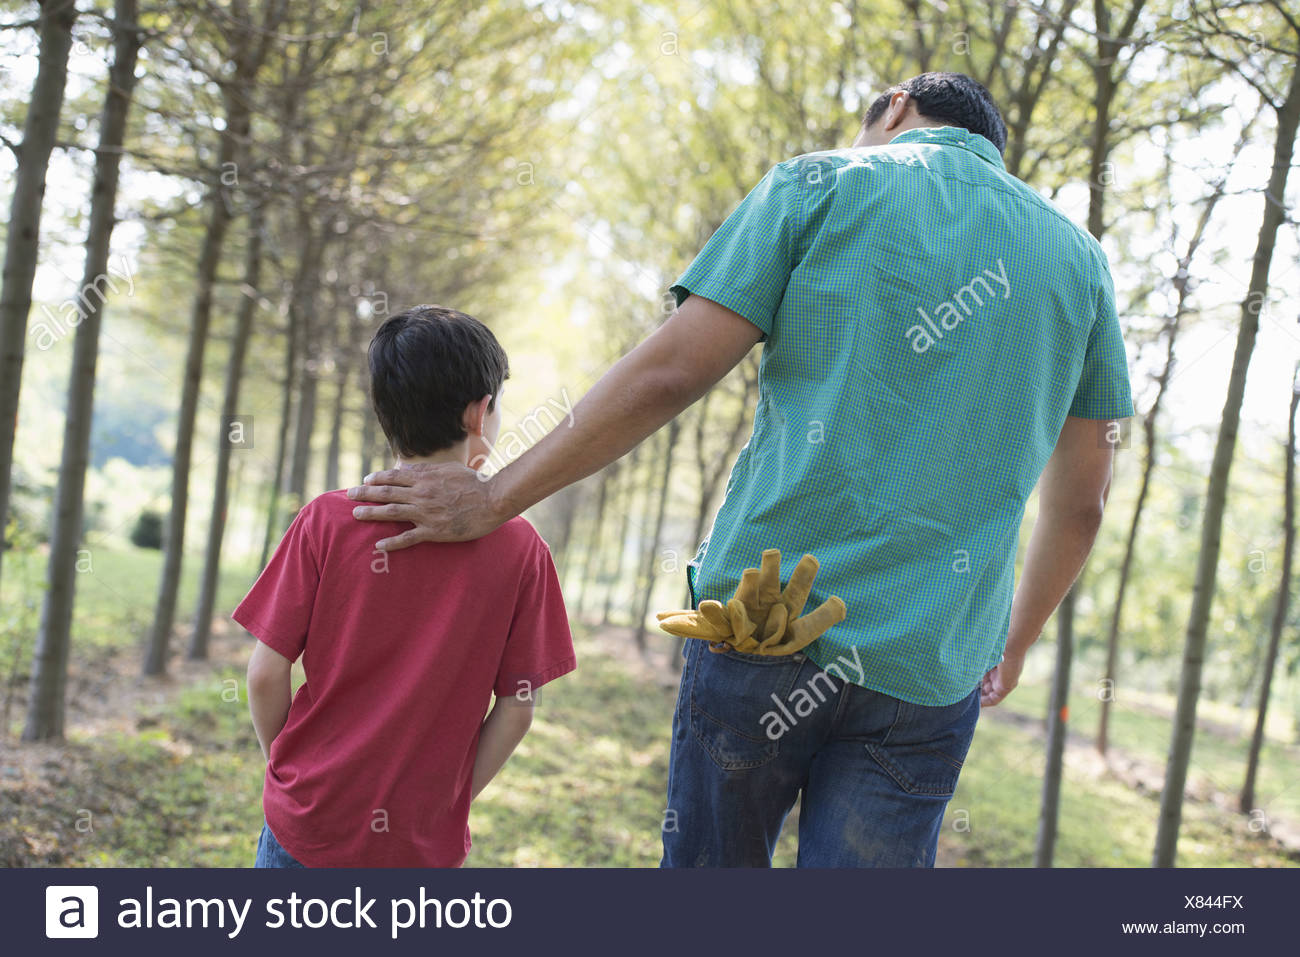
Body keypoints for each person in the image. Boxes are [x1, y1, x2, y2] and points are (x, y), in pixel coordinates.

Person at [347, 73, 1133, 867]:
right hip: (929, 667)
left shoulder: (818, 184)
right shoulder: (1079, 263)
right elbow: (1082, 505)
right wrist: (1014, 642)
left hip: (764, 627)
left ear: (894, 105)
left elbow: (671, 373)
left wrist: (494, 496)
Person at [237, 305, 576, 867]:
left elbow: (265, 672)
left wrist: (294, 777)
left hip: (306, 828)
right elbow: (517, 709)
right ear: (481, 412)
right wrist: (446, 805)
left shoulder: (325, 521)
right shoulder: (522, 550)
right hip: (419, 849)